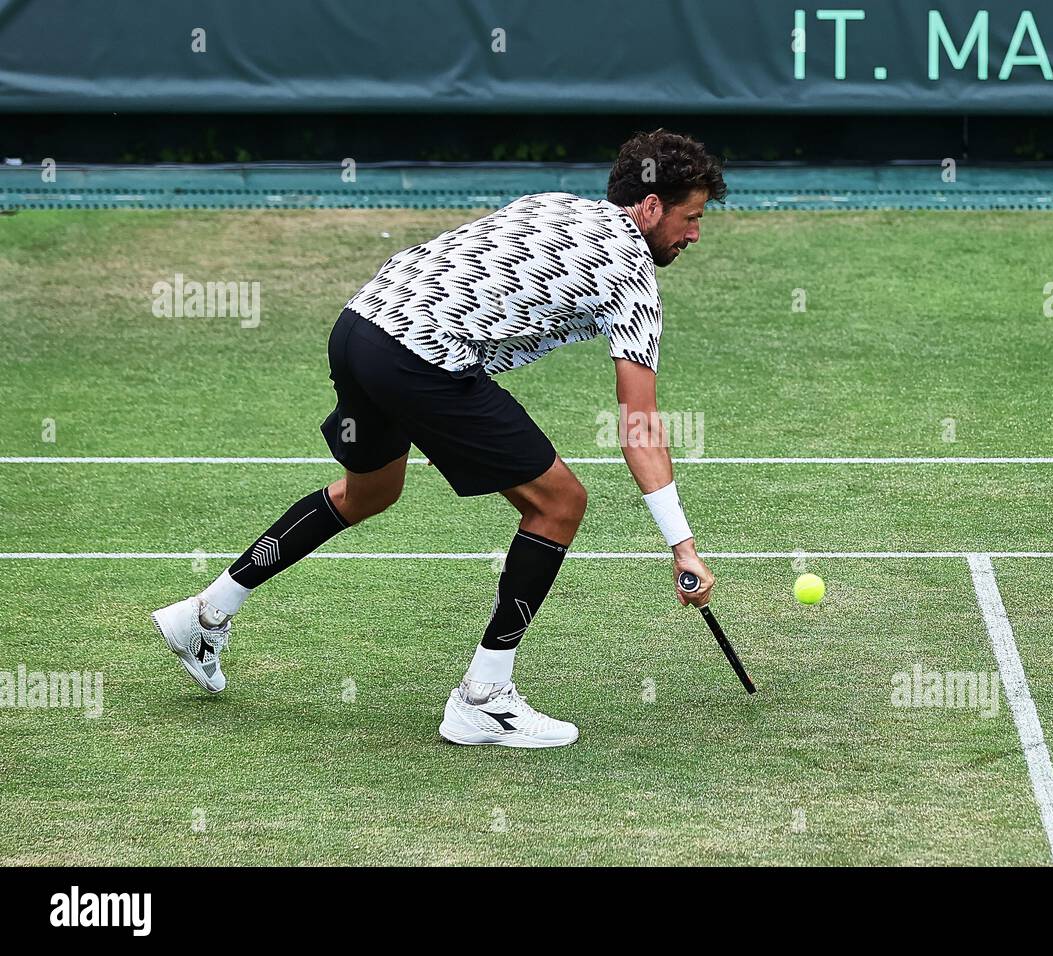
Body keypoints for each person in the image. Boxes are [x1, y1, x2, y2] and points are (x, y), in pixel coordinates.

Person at [151, 129, 728, 748]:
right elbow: (638, 426)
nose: (693, 234)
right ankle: (484, 698)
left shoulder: (556, 202)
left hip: (360, 327)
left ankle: (206, 614)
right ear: (648, 206)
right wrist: (682, 545)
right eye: (690, 217)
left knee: (368, 493)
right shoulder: (634, 274)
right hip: (423, 356)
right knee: (559, 503)